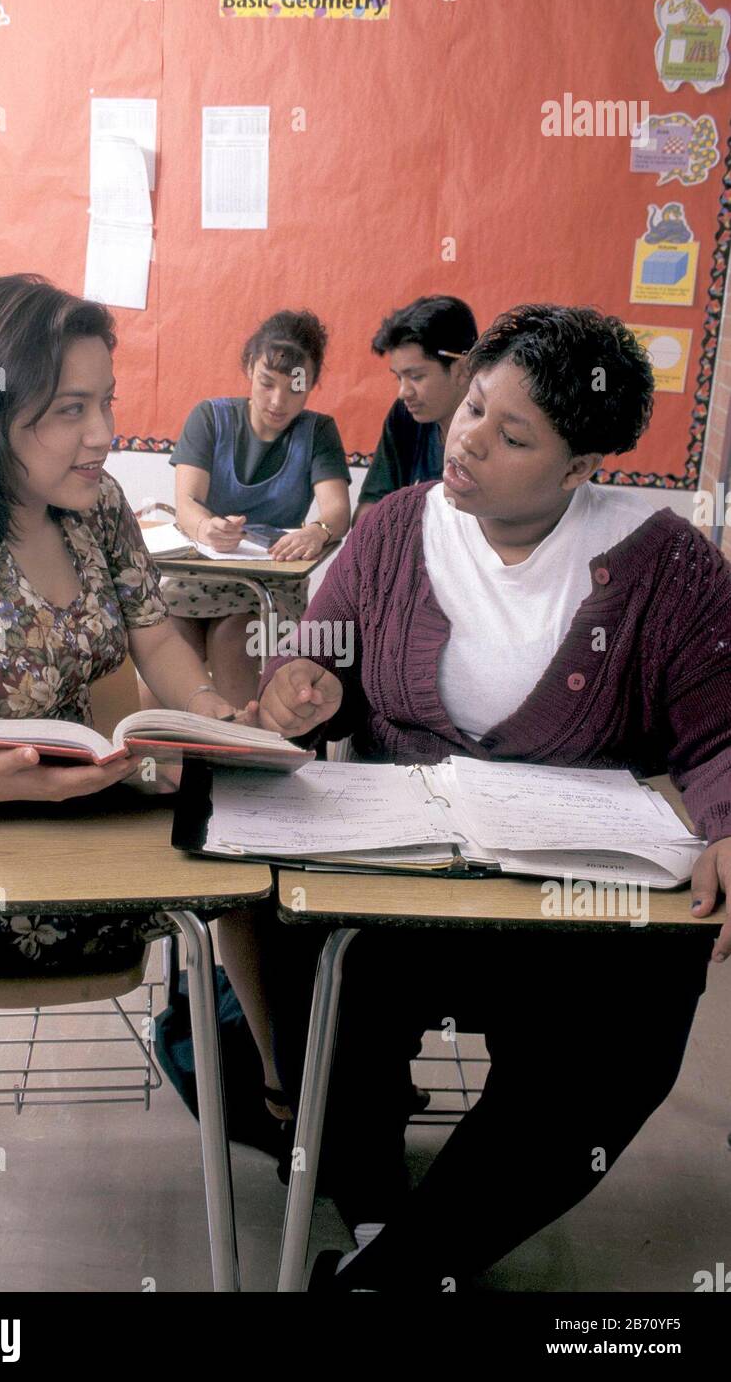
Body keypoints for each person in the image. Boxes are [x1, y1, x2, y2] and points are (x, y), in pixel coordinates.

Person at [256, 303, 731, 1291]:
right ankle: (380, 1202)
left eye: (511, 435)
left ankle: (398, 1267)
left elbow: (719, 729)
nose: (468, 439)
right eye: (473, 407)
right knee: (247, 998)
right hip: (402, 883)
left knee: (634, 1010)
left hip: (565, 899)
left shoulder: (664, 562)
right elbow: (317, 660)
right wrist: (303, 684)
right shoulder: (392, 531)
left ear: (577, 467)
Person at [0, 274, 248, 978]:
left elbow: (155, 633)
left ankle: (262, 1077)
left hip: (92, 819)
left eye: (106, 401)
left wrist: (207, 712)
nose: (104, 434)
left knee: (261, 862)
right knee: (235, 892)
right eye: (70, 409)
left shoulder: (97, 505)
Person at [160, 310, 351, 709]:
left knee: (237, 638)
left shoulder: (318, 432)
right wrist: (206, 527)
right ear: (249, 368)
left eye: (295, 387)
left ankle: (237, 756)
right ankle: (164, 761)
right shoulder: (209, 418)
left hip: (269, 587)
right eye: (267, 384)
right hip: (199, 577)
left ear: (312, 384)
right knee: (163, 643)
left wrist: (316, 530)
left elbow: (336, 512)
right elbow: (186, 504)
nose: (278, 401)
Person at [353, 294, 477, 524]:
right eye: (399, 378)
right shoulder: (404, 417)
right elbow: (368, 511)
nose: (403, 392)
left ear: (462, 368)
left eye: (416, 377)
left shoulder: (497, 430)